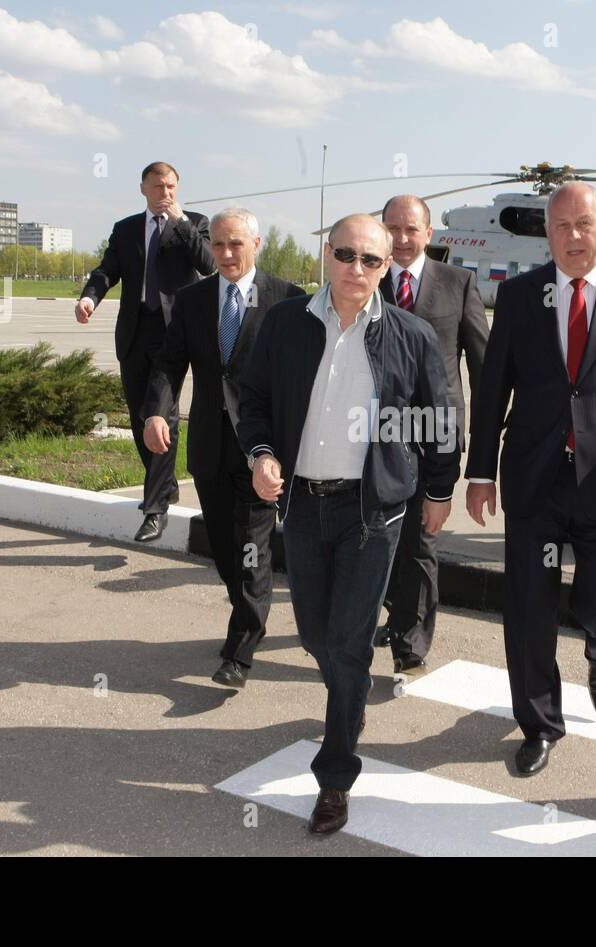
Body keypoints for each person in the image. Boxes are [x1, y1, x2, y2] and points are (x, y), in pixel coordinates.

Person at [237, 214, 458, 835]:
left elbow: (439, 418)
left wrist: (439, 490)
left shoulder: (411, 335)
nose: (356, 269)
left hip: (373, 512)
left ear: (386, 267)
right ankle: (350, 695)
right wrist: (261, 455)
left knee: (349, 642)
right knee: (315, 635)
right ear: (326, 256)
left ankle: (335, 776)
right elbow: (253, 400)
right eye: (345, 255)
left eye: (370, 260)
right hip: (303, 507)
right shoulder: (285, 323)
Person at [465, 182, 596, 777]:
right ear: (547, 235)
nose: (574, 236)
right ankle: (539, 724)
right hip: (534, 478)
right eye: (561, 226)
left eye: (584, 224)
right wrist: (480, 472)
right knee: (529, 608)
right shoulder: (520, 296)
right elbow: (493, 388)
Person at [142, 208, 303, 688]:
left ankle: (240, 649)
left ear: (257, 244)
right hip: (210, 446)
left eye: (236, 243)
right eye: (217, 244)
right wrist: (156, 412)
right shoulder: (191, 300)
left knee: (253, 543)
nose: (226, 253)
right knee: (225, 548)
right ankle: (247, 613)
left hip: (263, 450)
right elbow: (168, 363)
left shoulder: (288, 300)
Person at [375, 194, 490, 675]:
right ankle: (394, 610)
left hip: (435, 435)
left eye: (411, 229)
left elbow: (483, 366)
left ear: (428, 233)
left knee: (421, 541)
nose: (401, 239)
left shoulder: (458, 283)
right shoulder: (366, 277)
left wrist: (485, 440)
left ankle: (410, 644)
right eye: (392, 229)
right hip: (375, 434)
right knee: (379, 535)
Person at [76, 161, 214, 543]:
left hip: (175, 335)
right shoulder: (126, 230)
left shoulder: (195, 223)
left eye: (171, 186)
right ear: (143, 189)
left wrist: (181, 222)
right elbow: (106, 271)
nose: (165, 193)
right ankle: (165, 484)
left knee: (161, 413)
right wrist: (90, 298)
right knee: (141, 415)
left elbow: (208, 264)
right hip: (135, 333)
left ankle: (155, 508)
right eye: (157, 187)